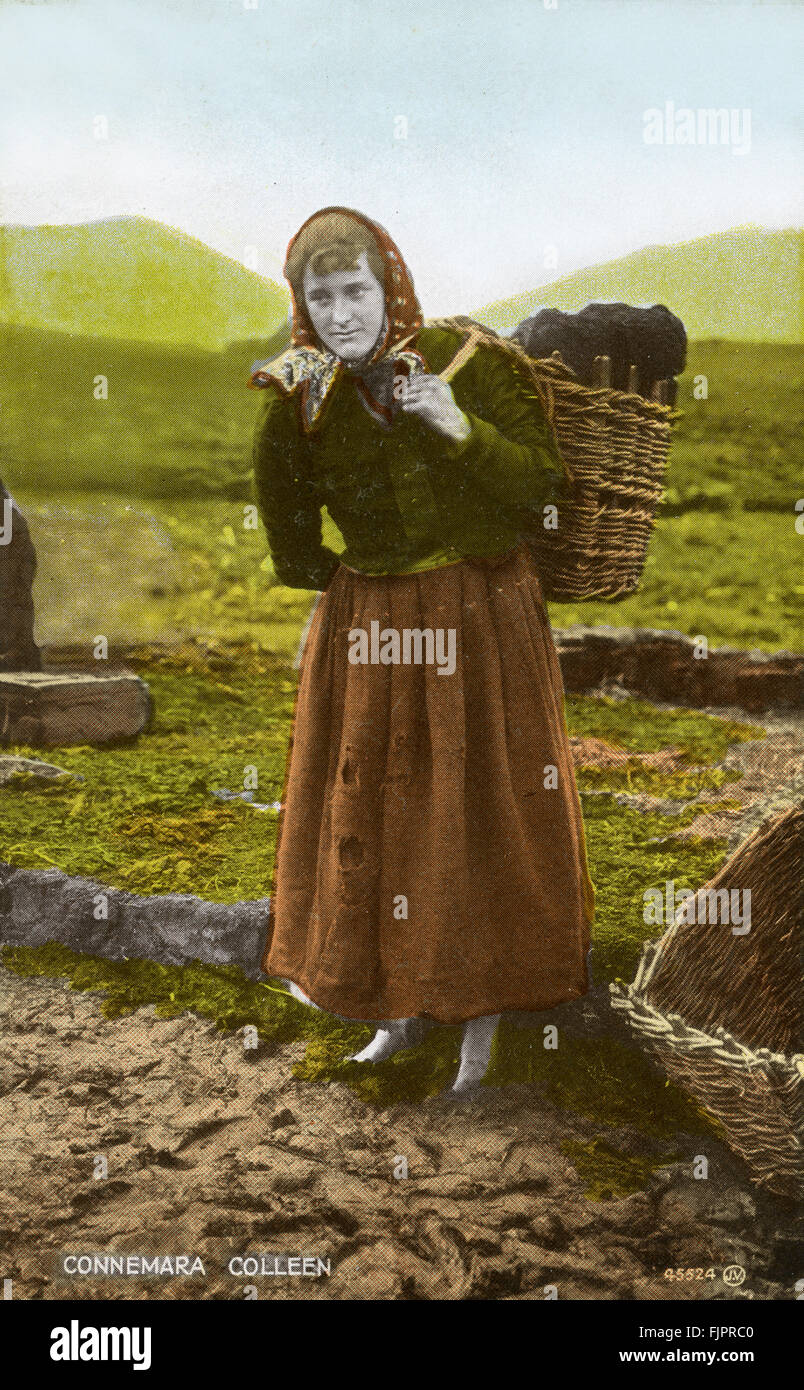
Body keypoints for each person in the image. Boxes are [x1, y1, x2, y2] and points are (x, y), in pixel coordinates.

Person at [249, 206, 595, 1092]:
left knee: (474, 802)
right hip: (372, 623)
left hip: (479, 611)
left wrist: (456, 427)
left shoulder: (462, 364)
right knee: (385, 805)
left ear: (388, 287)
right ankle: (399, 1014)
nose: (341, 314)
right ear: (304, 307)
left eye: (355, 290)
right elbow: (289, 539)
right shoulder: (300, 395)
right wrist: (350, 582)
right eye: (320, 297)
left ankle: (478, 1024)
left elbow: (544, 489)